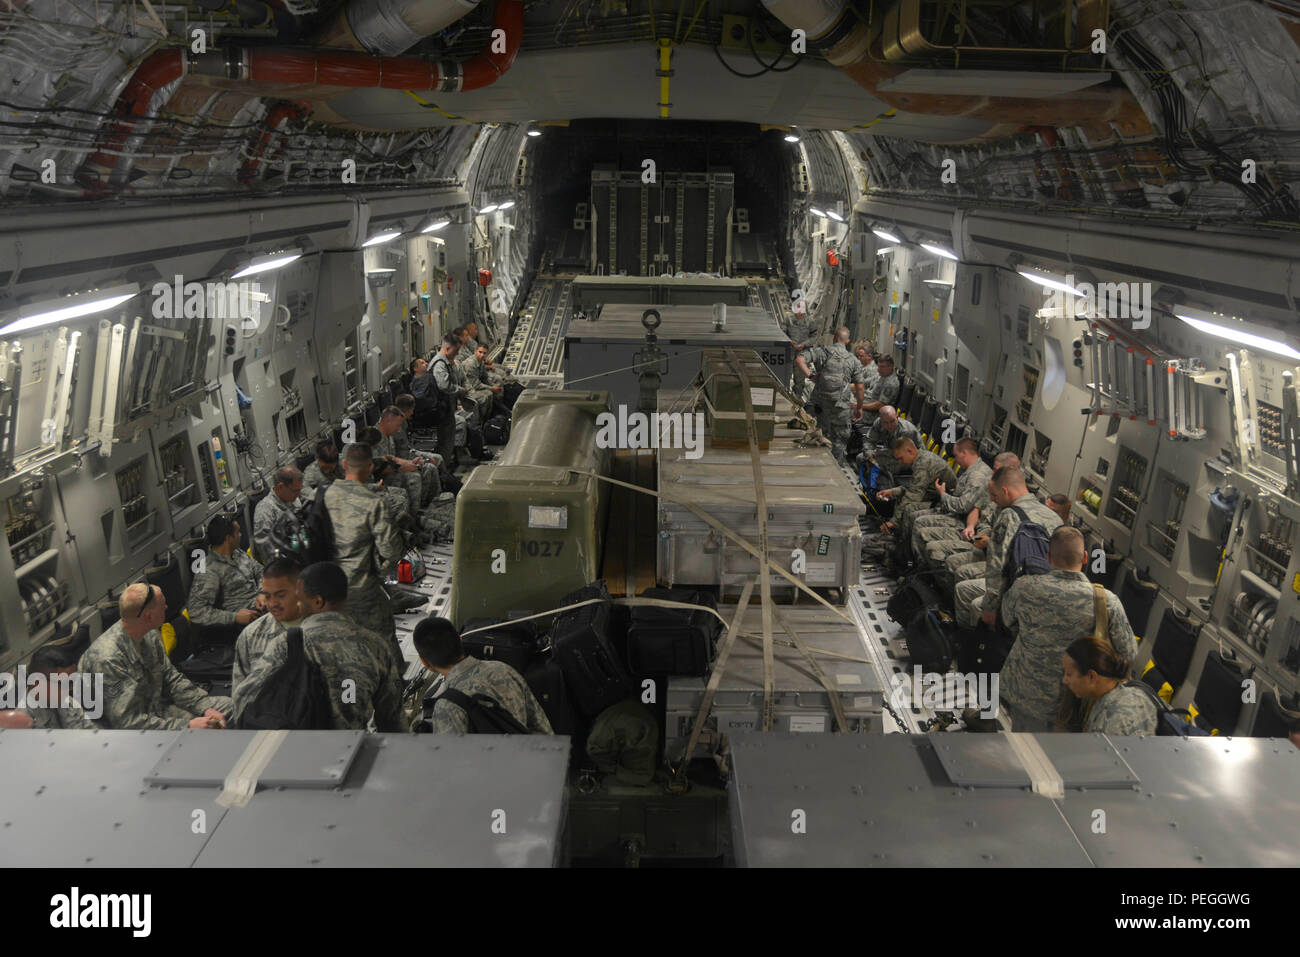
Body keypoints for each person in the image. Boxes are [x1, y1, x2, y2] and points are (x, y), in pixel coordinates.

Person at [233, 562, 403, 731]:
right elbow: (392, 719)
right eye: (267, 596)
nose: (272, 603)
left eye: (299, 596)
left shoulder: (285, 644)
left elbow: (243, 699)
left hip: (299, 746)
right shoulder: (374, 645)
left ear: (317, 601)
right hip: (352, 746)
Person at [999, 527, 1137, 732]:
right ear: (1085, 558)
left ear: (1048, 557)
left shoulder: (1024, 587)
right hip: (1075, 702)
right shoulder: (1106, 601)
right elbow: (1128, 653)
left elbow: (1007, 620)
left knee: (1025, 750)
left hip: (1025, 693)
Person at [79, 583, 230, 729]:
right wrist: (188, 726)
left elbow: (171, 678)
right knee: (208, 730)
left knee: (229, 708)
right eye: (162, 604)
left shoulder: (149, 635)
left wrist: (204, 707)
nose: (166, 607)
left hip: (155, 710)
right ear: (148, 617)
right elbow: (128, 723)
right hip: (126, 732)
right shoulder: (108, 660)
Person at [322, 442, 403, 662]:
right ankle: (394, 687)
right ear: (369, 468)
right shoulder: (373, 503)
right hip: (362, 586)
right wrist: (380, 571)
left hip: (328, 588)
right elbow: (391, 550)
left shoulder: (322, 496)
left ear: (344, 464)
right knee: (383, 638)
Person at [953, 466, 1063, 628]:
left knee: (966, 593)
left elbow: (997, 567)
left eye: (994, 495)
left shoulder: (1008, 516)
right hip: (1048, 595)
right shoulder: (1055, 519)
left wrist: (990, 609)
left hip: (1017, 589)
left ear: (1005, 491)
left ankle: (971, 645)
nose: (991, 500)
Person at [413, 617, 553, 734]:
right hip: (529, 760)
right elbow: (541, 726)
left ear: (424, 662)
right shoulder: (504, 669)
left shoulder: (447, 706)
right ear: (460, 640)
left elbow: (451, 762)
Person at [230, 558, 304, 701]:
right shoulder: (251, 636)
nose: (273, 604)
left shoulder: (323, 630)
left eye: (281, 595)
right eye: (267, 596)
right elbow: (239, 696)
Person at [910, 437, 994, 560]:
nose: (956, 460)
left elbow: (962, 506)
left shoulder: (977, 475)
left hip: (964, 522)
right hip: (962, 516)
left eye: (956, 455)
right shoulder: (974, 469)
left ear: (964, 453)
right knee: (915, 516)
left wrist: (943, 494)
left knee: (919, 523)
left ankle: (920, 566)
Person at [793, 326, 866, 466]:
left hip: (820, 405)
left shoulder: (823, 352)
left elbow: (799, 359)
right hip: (841, 407)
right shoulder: (853, 360)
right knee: (839, 440)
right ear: (848, 341)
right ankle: (836, 468)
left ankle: (816, 465)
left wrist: (811, 375)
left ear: (834, 338)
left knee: (819, 434)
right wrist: (859, 408)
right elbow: (860, 387)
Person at [1061, 636, 1157, 736]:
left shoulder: (1107, 726)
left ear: (1091, 677)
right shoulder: (1136, 694)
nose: (1064, 681)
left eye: (1069, 674)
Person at [187, 514, 264, 634]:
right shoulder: (208, 571)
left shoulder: (237, 553)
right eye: (238, 532)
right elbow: (197, 612)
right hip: (244, 623)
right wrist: (234, 617)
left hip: (261, 605)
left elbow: (260, 571)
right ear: (228, 538)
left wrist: (262, 592)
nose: (241, 534)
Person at [874, 437, 953, 539]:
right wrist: (892, 491)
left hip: (945, 503)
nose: (900, 462)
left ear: (910, 451)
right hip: (933, 496)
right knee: (901, 497)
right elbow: (914, 486)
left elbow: (913, 496)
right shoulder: (920, 458)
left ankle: (904, 543)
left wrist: (893, 522)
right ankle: (897, 534)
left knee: (909, 508)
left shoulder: (923, 464)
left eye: (900, 458)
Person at [22, 643, 99, 729]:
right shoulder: (21, 725)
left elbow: (90, 732)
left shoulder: (67, 702)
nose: (70, 688)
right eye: (64, 684)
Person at [374, 406, 436, 513]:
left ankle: (426, 505)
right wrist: (404, 468)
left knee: (427, 468)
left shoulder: (389, 435)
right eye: (397, 425)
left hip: (392, 470)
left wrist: (410, 463)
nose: (399, 429)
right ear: (388, 421)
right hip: (380, 478)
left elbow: (392, 457)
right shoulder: (375, 438)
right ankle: (413, 515)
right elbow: (379, 467)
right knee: (413, 477)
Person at [429, 333, 467, 469]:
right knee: (445, 441)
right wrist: (459, 390)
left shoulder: (446, 363)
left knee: (447, 439)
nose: (456, 354)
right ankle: (443, 472)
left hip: (447, 409)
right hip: (441, 411)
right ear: (447, 349)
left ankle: (445, 467)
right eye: (455, 351)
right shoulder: (440, 364)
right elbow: (444, 386)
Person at [252, 466, 303, 562]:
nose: (299, 495)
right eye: (296, 491)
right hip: (283, 562)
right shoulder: (265, 510)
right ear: (280, 487)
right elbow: (264, 546)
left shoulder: (293, 499)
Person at [861, 406, 920, 475]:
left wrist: (878, 453)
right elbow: (869, 440)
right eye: (885, 423)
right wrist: (869, 452)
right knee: (861, 458)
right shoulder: (878, 423)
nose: (889, 425)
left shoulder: (906, 431)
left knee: (879, 468)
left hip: (908, 460)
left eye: (892, 421)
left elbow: (899, 454)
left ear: (897, 418)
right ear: (881, 421)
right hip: (890, 452)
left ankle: (881, 483)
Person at [859, 354, 900, 427]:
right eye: (878, 366)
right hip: (867, 404)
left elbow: (879, 405)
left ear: (891, 366)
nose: (878, 369)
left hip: (873, 415)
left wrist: (859, 406)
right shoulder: (882, 375)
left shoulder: (891, 383)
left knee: (845, 409)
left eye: (882, 367)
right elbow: (864, 383)